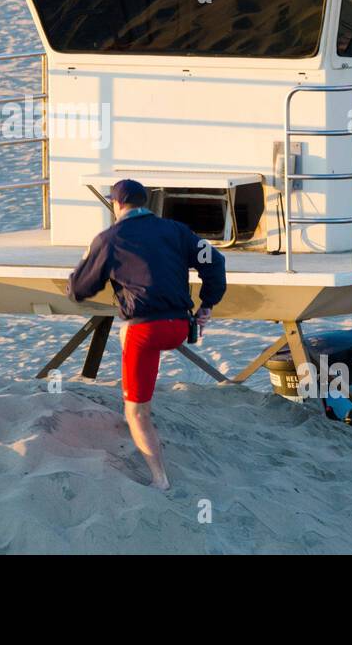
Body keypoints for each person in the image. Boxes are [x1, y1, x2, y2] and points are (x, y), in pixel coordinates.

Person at [67, 179, 226, 490]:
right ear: (147, 202)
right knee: (131, 337)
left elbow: (80, 290)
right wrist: (207, 305)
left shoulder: (110, 238)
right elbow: (215, 261)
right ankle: (139, 411)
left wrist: (87, 260)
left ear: (115, 204)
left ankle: (159, 478)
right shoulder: (176, 230)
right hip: (180, 327)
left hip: (146, 331)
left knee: (137, 410)